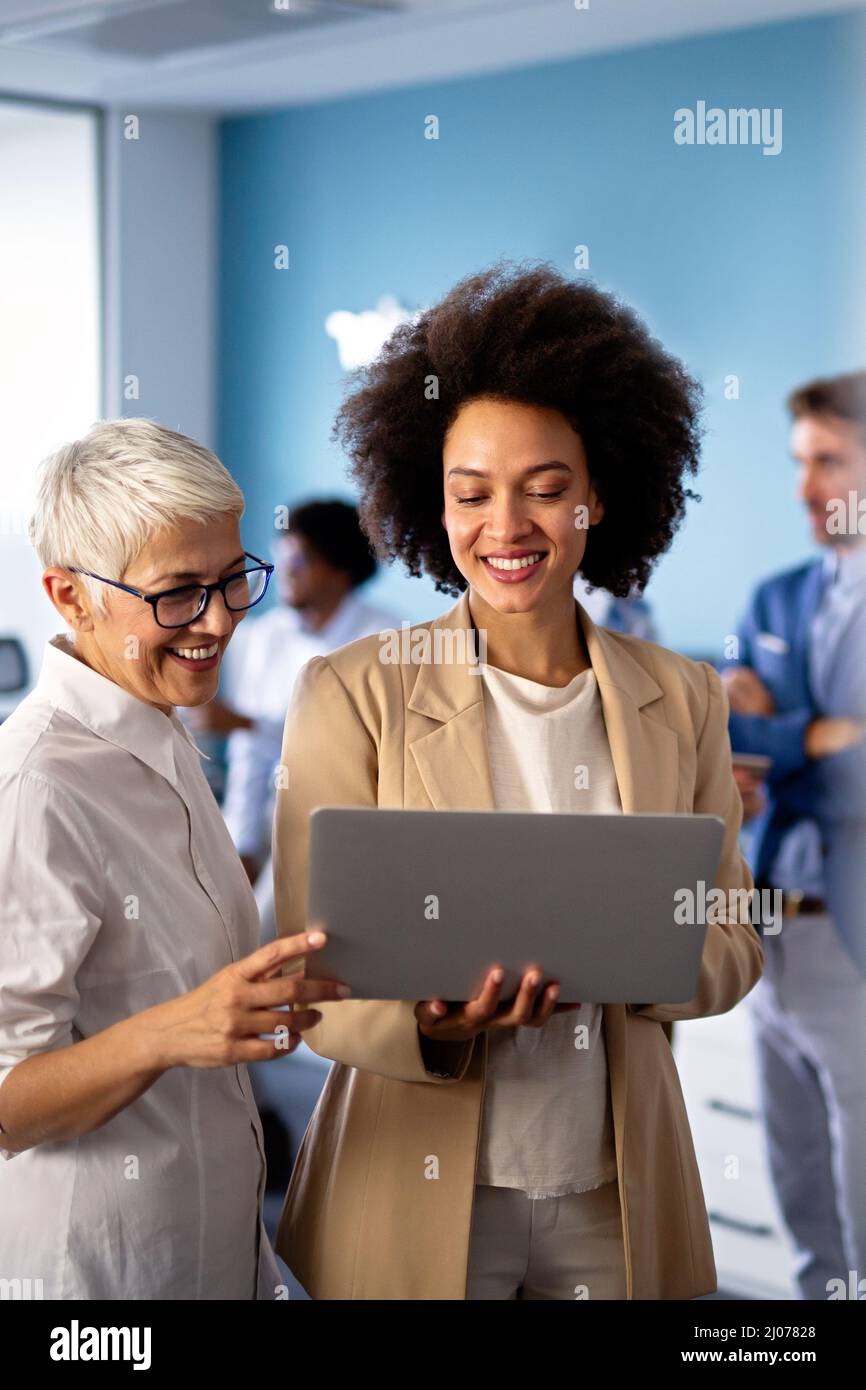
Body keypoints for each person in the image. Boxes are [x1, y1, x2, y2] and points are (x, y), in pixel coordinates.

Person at [271, 263, 763, 1300]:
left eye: (545, 489)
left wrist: (637, 955)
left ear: (596, 495)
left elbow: (731, 937)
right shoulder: (354, 690)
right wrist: (432, 1021)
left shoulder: (681, 697)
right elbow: (301, 973)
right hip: (413, 1186)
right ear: (425, 501)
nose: (507, 525)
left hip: (612, 1197)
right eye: (470, 493)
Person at [0, 419, 348, 1299]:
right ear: (70, 598)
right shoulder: (37, 788)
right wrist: (177, 1029)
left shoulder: (158, 729)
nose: (222, 619)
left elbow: (178, 997)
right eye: (179, 592)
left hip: (214, 1251)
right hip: (102, 1283)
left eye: (234, 579)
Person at [722, 372, 866, 1300]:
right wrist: (820, 734)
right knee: (798, 1172)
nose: (805, 489)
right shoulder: (776, 600)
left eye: (829, 462)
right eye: (799, 464)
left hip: (853, 941)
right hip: (767, 921)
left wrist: (782, 736)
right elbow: (723, 737)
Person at [191, 500, 396, 906]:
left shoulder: (386, 641)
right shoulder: (266, 637)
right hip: (270, 816)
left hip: (349, 828)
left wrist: (249, 723)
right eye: (282, 557)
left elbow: (361, 751)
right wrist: (242, 843)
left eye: (300, 561)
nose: (285, 571)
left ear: (339, 569)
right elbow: (249, 755)